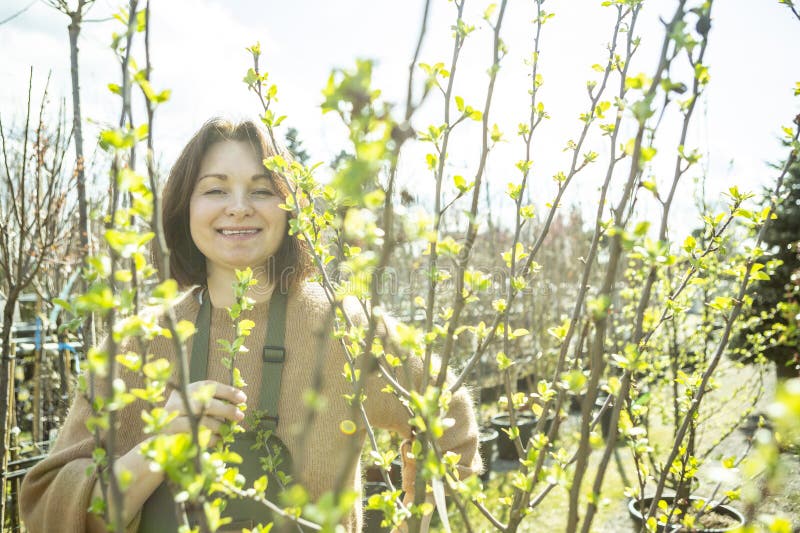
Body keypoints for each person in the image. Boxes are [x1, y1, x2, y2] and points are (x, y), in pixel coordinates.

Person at [20, 118, 482, 532]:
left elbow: (446, 413)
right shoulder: (136, 345)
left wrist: (414, 522)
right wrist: (161, 445)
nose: (239, 207)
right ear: (185, 207)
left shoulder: (345, 328)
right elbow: (48, 511)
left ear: (288, 208)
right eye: (215, 189)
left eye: (261, 190)